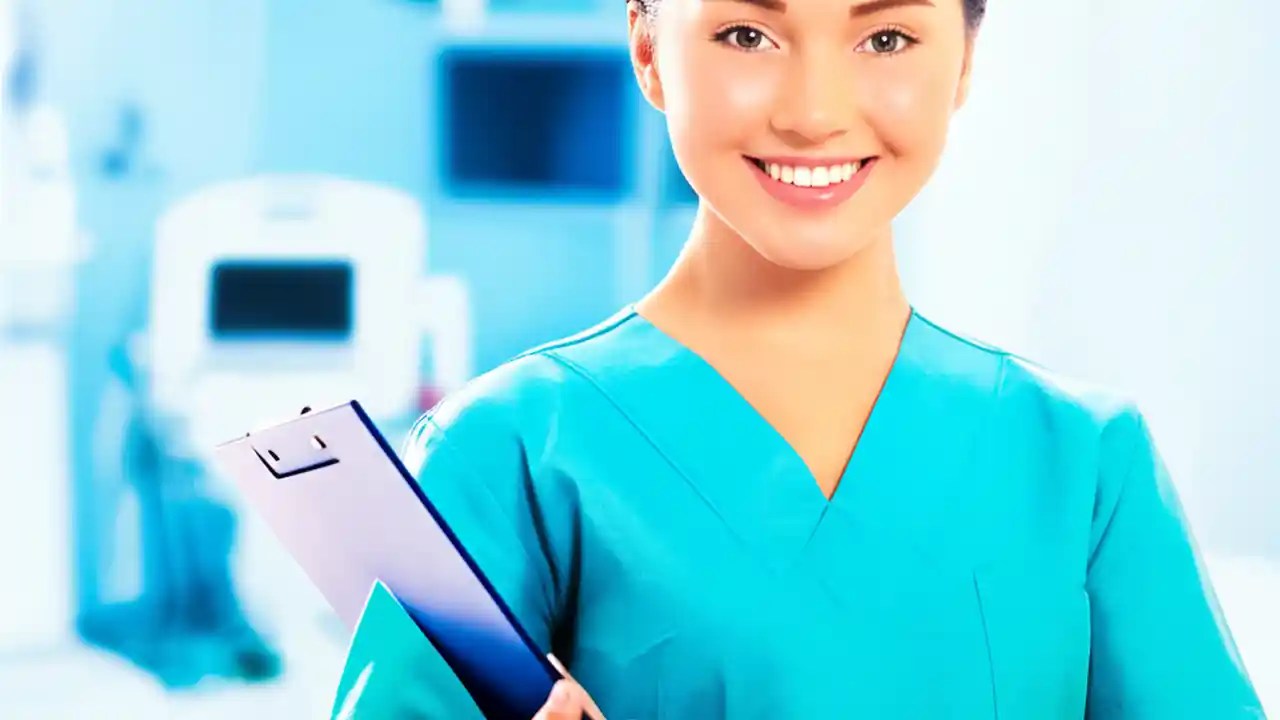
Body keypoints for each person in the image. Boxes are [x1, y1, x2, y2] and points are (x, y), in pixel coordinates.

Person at [333, 0, 1267, 716]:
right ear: (651, 48)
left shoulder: (1083, 460)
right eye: (747, 35)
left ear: (966, 62)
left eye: (887, 38)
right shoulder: (502, 454)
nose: (816, 114)